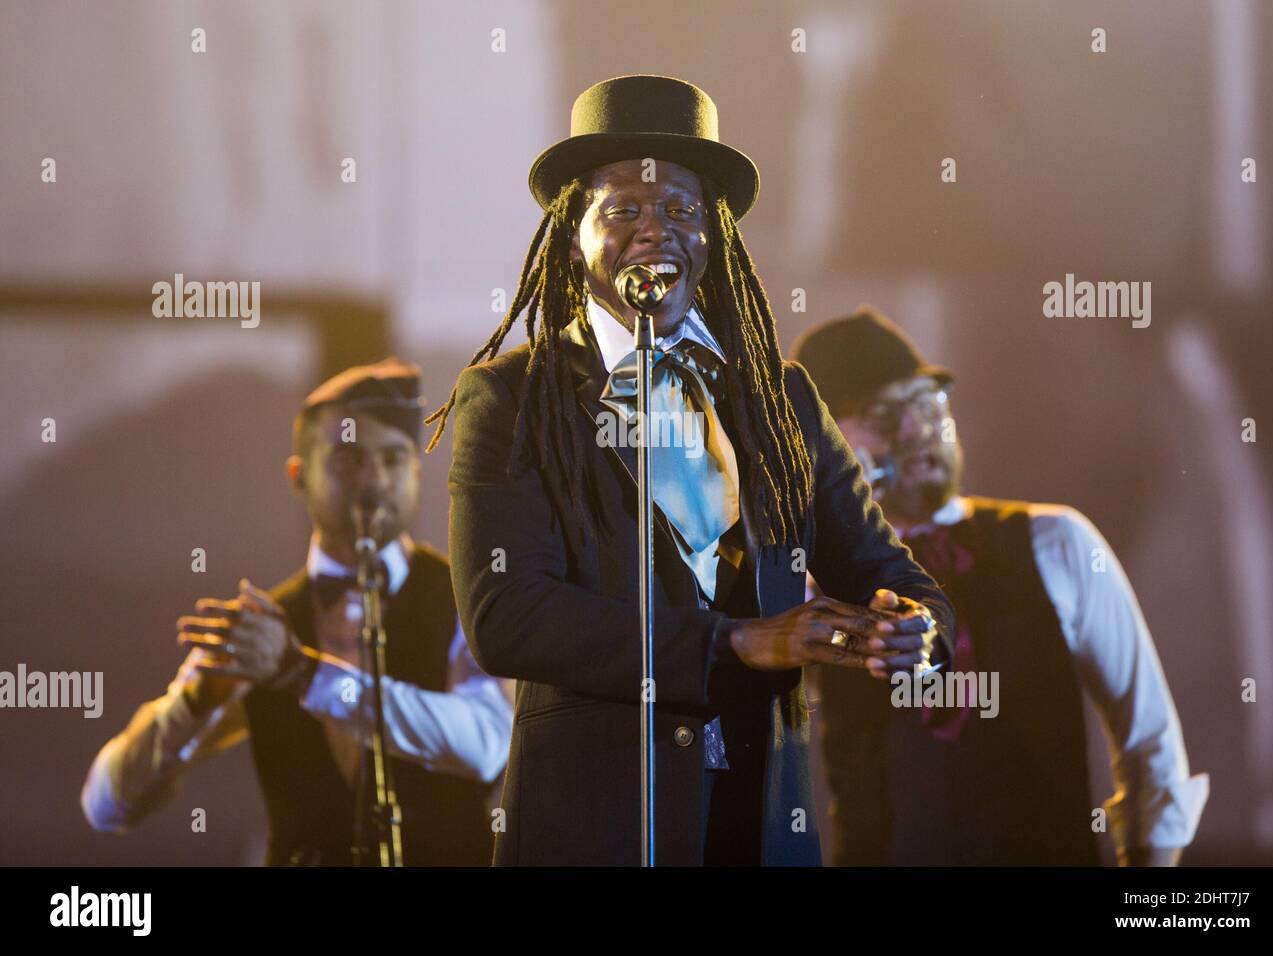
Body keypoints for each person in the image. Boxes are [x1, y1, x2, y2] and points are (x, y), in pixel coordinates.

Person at [424, 75, 954, 866]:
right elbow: (508, 615)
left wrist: (914, 630)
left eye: (681, 208)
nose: (655, 229)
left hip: (761, 818)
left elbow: (893, 574)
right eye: (623, 210)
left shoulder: (779, 399)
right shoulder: (513, 398)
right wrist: (733, 641)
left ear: (714, 235)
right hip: (596, 825)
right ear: (572, 236)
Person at [793, 306, 1210, 866]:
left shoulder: (1056, 541)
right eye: (880, 414)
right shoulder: (808, 576)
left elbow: (1149, 744)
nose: (917, 430)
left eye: (927, 403)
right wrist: (830, 512)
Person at [82, 358, 514, 866]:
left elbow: (487, 745)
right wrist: (193, 705)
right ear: (298, 475)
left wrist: (300, 672)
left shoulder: (463, 594)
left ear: (417, 473)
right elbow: (106, 806)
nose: (374, 479)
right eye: (348, 459)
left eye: (393, 458)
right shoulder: (263, 630)